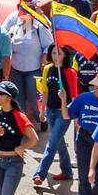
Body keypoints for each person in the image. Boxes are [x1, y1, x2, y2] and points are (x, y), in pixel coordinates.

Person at [32, 43, 76, 186]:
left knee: (51, 144)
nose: (56, 56)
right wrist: (42, 110)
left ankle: (40, 174)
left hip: (64, 113)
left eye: (60, 53)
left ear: (65, 55)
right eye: (54, 53)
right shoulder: (47, 69)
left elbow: (74, 97)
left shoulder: (70, 72)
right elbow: (45, 91)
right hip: (50, 111)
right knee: (59, 143)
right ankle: (67, 171)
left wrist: (76, 119)